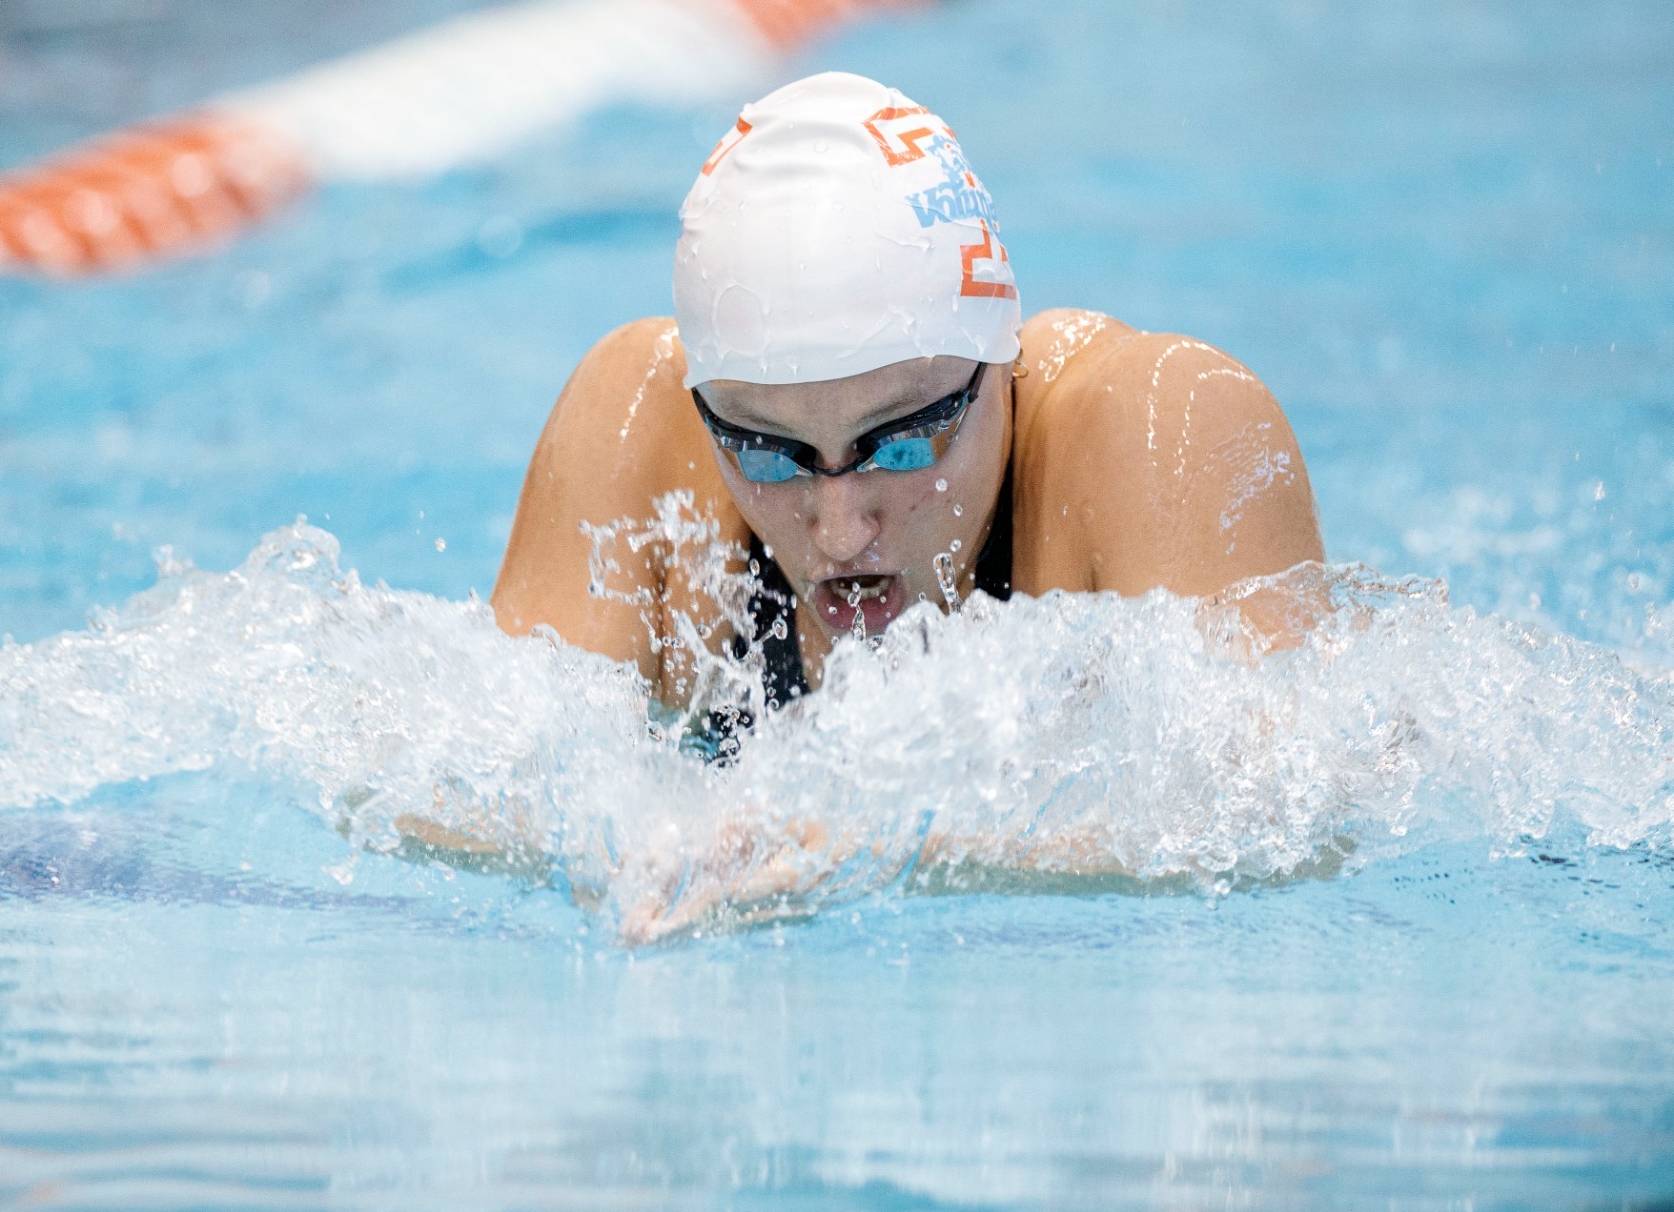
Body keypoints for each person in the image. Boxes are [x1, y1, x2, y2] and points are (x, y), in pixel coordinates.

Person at [492, 71, 1324, 724]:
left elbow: (1288, 812)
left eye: (898, 444)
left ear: (997, 360)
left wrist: (858, 836)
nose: (841, 529)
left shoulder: (1160, 429)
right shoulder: (644, 431)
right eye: (766, 455)